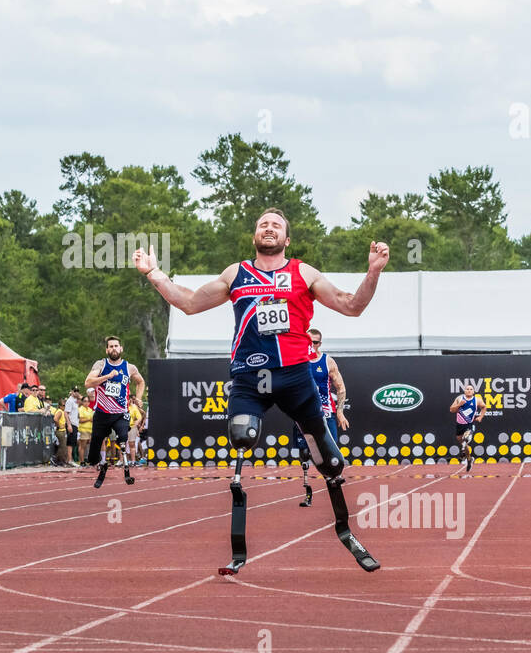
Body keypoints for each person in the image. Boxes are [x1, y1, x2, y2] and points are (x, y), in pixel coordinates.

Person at [132, 208, 387, 573]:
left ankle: (343, 525)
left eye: (276, 225)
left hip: (296, 378)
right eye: (262, 224)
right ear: (254, 235)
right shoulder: (236, 274)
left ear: (287, 239)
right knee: (242, 435)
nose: (269, 228)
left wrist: (373, 272)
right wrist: (153, 273)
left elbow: (352, 306)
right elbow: (189, 303)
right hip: (249, 379)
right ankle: (238, 544)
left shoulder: (303, 272)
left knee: (330, 461)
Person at [293, 328, 349, 504]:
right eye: (308, 341)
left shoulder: (327, 361)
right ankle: (307, 491)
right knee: (304, 453)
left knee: (330, 452)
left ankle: (333, 484)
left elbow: (340, 387)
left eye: (315, 342)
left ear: (320, 344)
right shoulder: (296, 360)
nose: (311, 345)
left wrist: (339, 411)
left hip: (326, 414)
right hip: (303, 414)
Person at [83, 336, 146, 487]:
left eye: (116, 346)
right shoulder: (101, 364)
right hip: (102, 413)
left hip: (120, 413)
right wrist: (107, 377)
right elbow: (88, 382)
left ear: (121, 348)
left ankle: (125, 464)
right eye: (110, 346)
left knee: (123, 435)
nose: (113, 349)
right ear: (107, 350)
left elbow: (141, 381)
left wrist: (138, 398)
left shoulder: (129, 367)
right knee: (92, 457)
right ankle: (102, 464)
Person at [450, 382, 488, 472]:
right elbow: (451, 410)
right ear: (464, 391)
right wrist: (459, 405)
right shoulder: (459, 398)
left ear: (473, 391)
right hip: (459, 425)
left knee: (466, 438)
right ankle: (469, 459)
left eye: (471, 389)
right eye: (467, 389)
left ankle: (463, 450)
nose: (469, 390)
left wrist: (481, 417)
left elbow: (484, 407)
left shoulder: (477, 400)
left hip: (469, 424)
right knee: (462, 441)